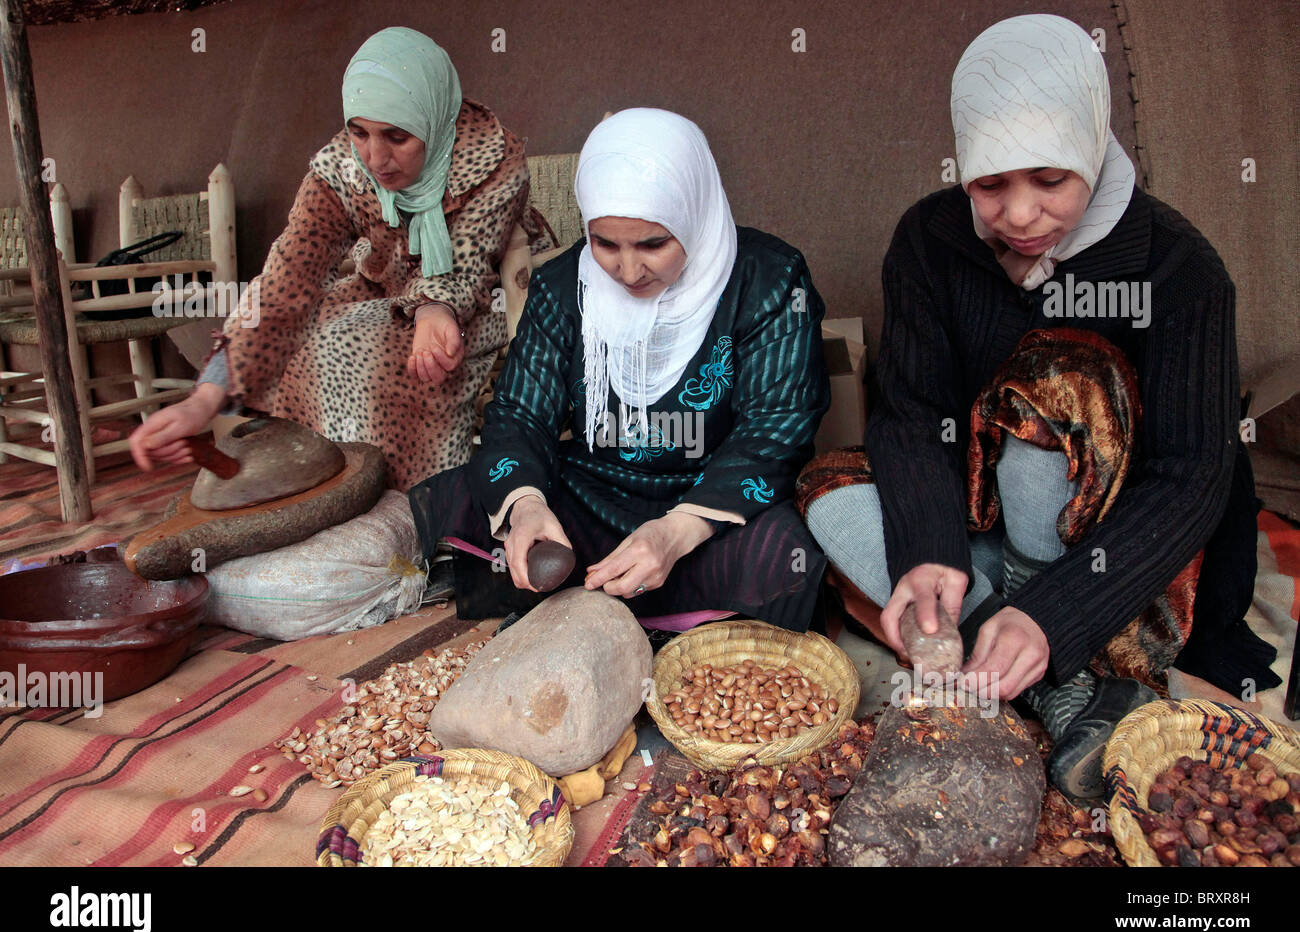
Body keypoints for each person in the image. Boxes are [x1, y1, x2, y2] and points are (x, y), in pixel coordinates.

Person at [799, 14, 1274, 798]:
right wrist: (927, 552)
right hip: (981, 520)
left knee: (1057, 382)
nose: (1019, 215)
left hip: (1126, 551)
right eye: (990, 184)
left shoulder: (1180, 270)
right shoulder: (928, 239)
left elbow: (1193, 479)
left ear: (1092, 143)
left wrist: (1055, 614)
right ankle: (1040, 670)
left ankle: (1041, 644)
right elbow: (913, 414)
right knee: (828, 497)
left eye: (1049, 180)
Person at [409, 108, 831, 634]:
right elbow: (519, 413)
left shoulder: (770, 279)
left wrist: (676, 531)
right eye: (605, 244)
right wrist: (526, 508)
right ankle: (612, 597)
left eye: (653, 243)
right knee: (467, 493)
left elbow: (778, 425)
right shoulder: (564, 285)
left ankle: (624, 604)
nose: (628, 272)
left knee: (783, 553)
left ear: (693, 215)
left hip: (709, 500)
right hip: (596, 487)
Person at [128, 27, 550, 490]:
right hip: (381, 287)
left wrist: (434, 308)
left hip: (484, 297)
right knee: (303, 341)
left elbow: (472, 255)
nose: (375, 157)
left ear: (433, 118)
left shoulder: (491, 155)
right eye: (360, 132)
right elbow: (288, 277)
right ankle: (319, 494)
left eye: (396, 136)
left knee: (387, 358)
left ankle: (413, 508)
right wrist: (204, 399)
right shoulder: (341, 169)